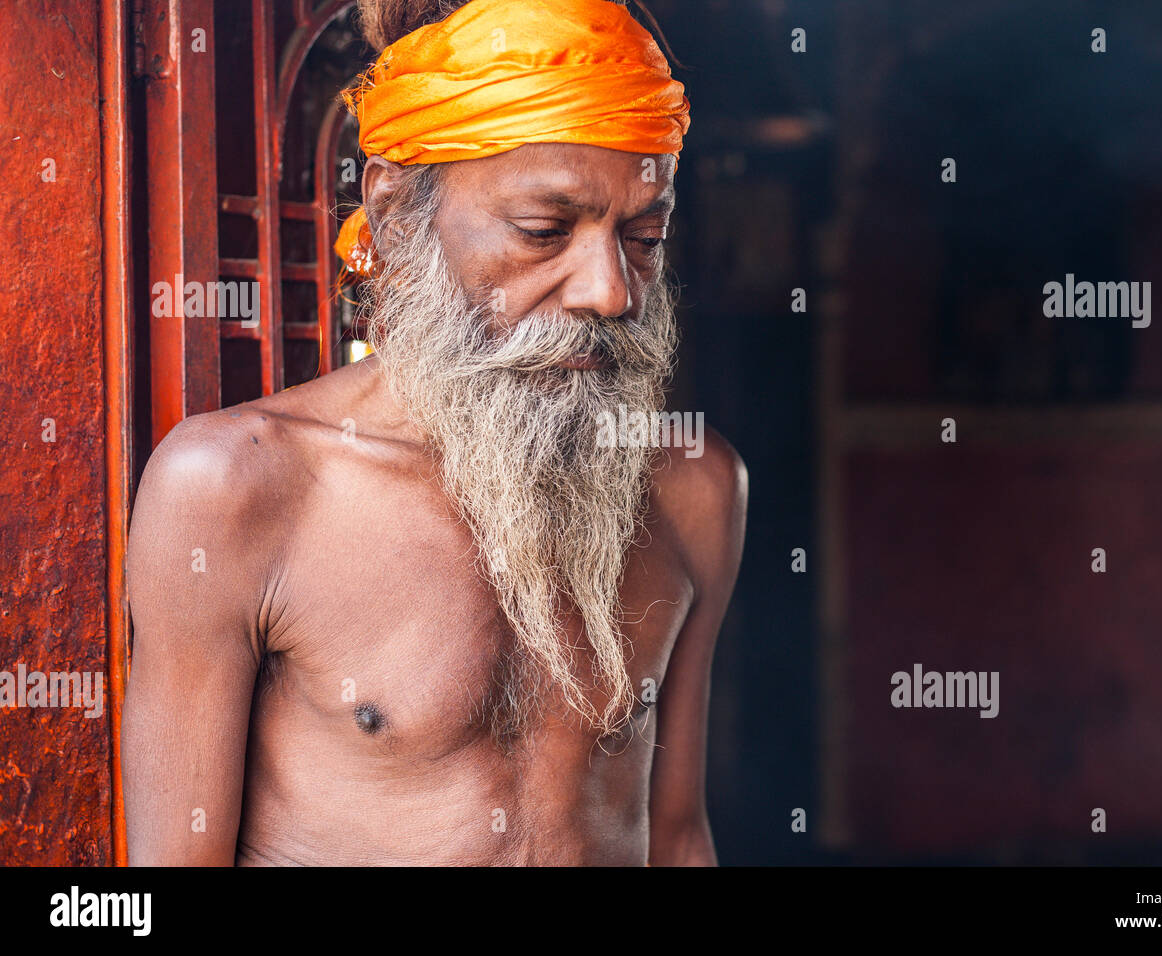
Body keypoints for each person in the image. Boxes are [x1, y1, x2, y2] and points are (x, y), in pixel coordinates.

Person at [122, 0, 747, 866]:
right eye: (544, 231)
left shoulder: (696, 486)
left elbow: (676, 837)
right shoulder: (236, 487)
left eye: (643, 237)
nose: (611, 292)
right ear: (394, 207)